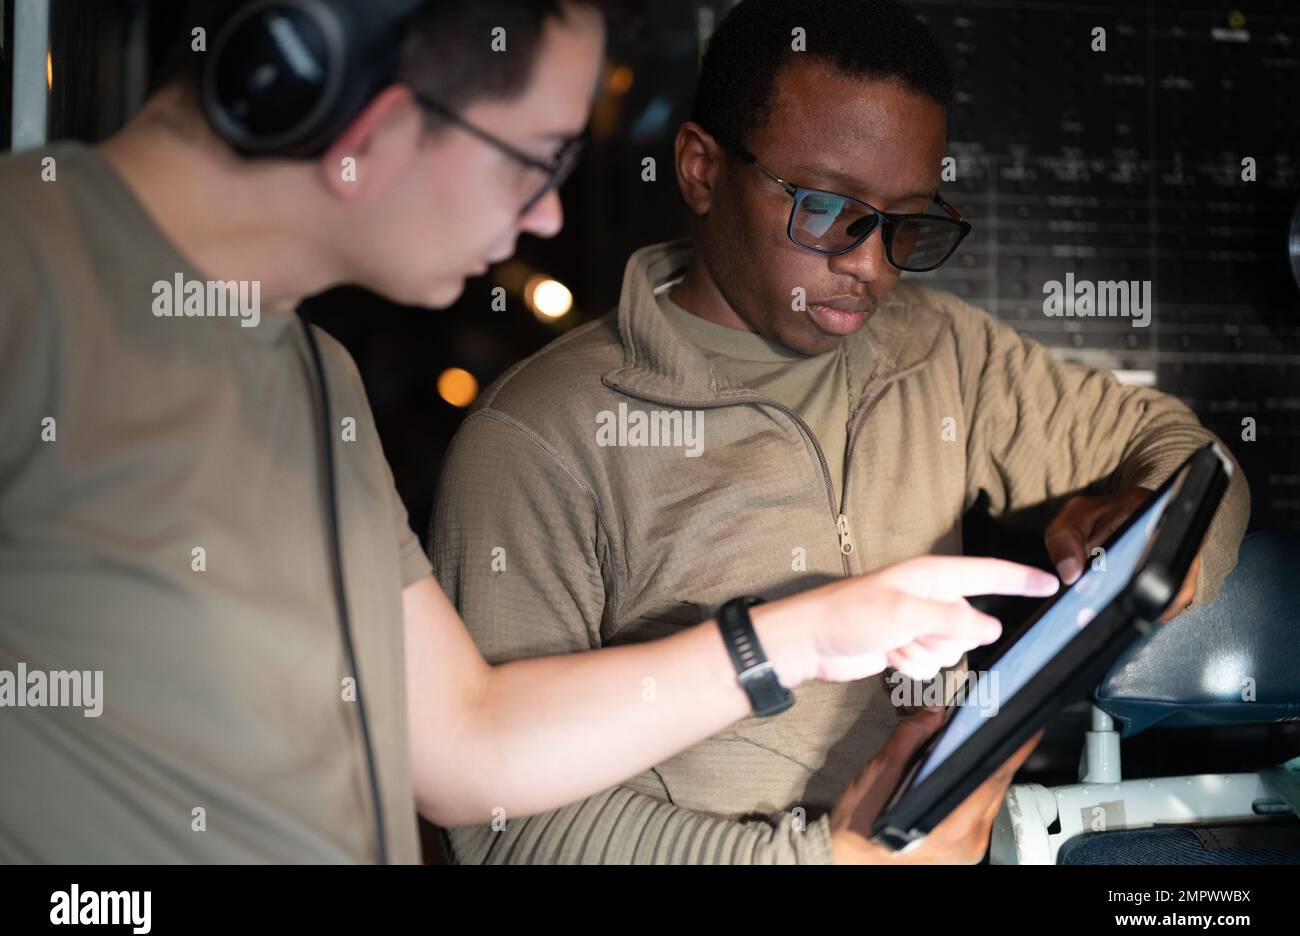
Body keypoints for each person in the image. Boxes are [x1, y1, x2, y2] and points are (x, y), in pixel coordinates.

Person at [0, 0, 1058, 863]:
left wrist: (808, 634)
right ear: (362, 116)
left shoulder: (308, 375)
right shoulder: (25, 270)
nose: (549, 217)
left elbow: (463, 743)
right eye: (533, 159)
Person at [431, 0, 1251, 863]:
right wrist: (825, 861)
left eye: (907, 222)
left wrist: (1160, 543)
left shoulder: (940, 352)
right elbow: (506, 827)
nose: (869, 265)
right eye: (826, 208)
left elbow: (1195, 458)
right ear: (702, 169)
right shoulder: (536, 443)